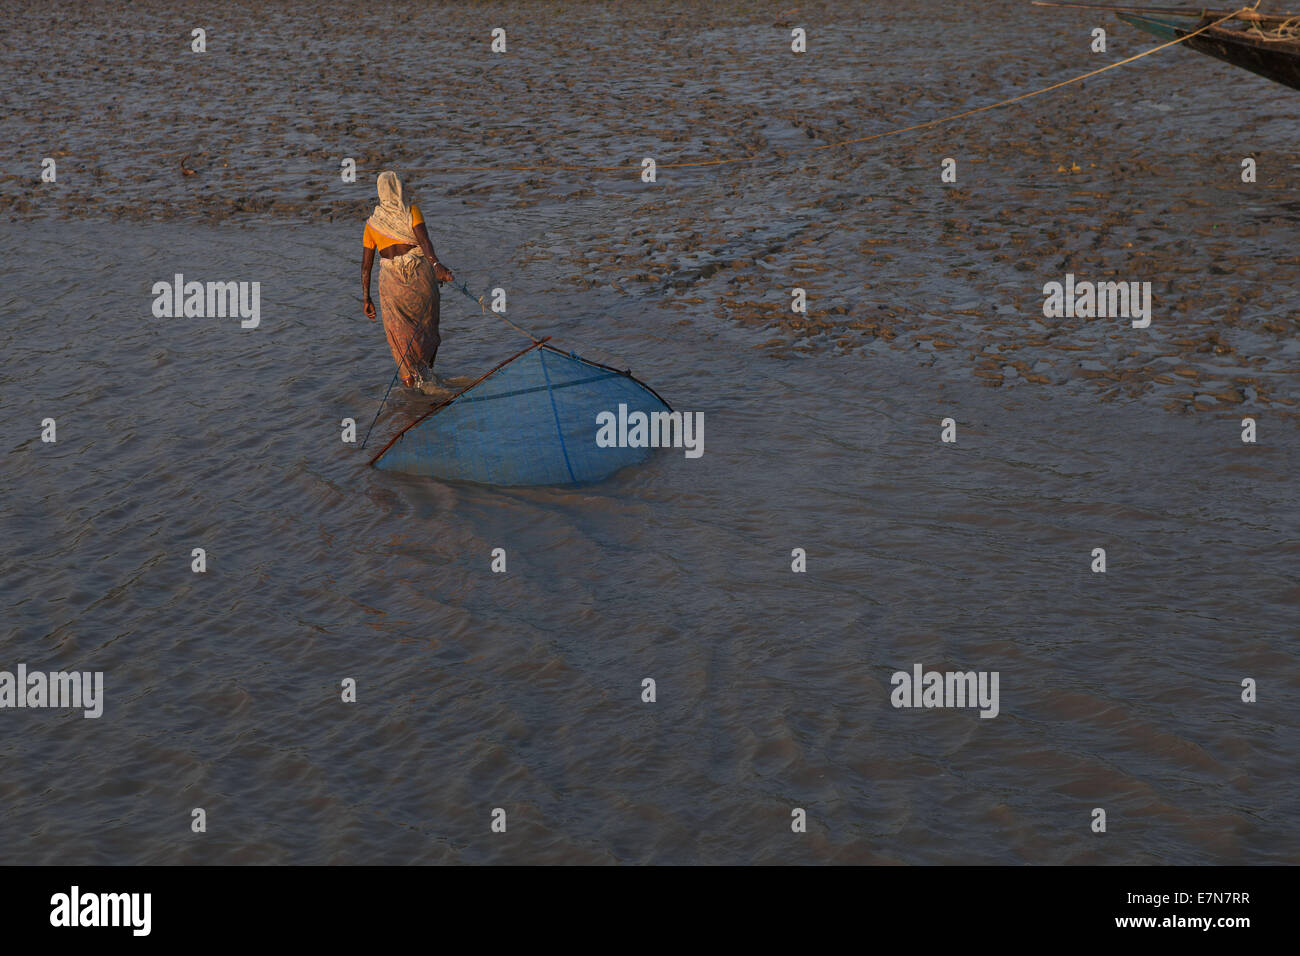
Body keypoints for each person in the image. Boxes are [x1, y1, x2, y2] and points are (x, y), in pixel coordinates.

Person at [361, 171, 454, 388]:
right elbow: (425, 242)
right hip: (419, 275)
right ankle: (428, 376)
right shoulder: (411, 212)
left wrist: (366, 298)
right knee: (427, 327)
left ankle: (410, 384)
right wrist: (437, 266)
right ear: (400, 188)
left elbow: (366, 266)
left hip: (390, 283)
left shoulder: (372, 224)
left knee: (398, 333)